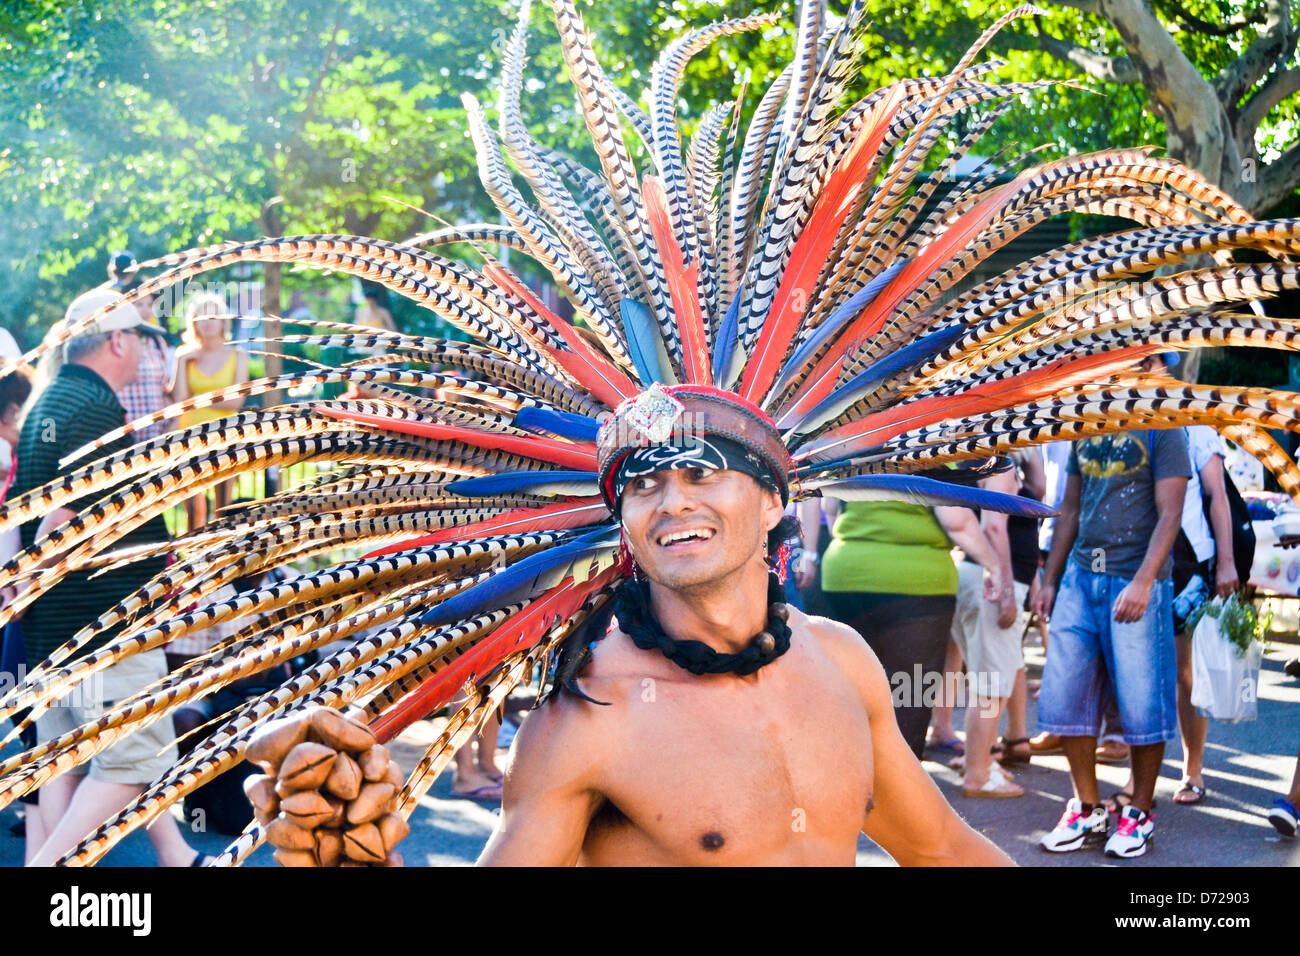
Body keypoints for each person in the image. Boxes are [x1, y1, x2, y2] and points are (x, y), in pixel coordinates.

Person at [478, 390, 1013, 865]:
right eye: (643, 485)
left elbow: (939, 847)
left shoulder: (840, 659)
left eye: (701, 473)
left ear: (772, 502)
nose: (674, 502)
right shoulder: (585, 719)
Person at [12, 288, 205, 867]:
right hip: (102, 624)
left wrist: (19, 583)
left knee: (61, 760)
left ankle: (175, 857)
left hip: (56, 629)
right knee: (136, 757)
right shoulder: (93, 410)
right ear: (118, 340)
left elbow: (22, 513)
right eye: (145, 343)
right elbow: (58, 520)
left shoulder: (48, 401)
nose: (149, 357)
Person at [1032, 428, 1190, 859]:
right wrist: (1050, 579)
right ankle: (1087, 808)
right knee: (1066, 697)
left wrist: (1144, 581)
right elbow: (1070, 509)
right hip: (1080, 579)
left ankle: (1139, 810)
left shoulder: (1166, 428)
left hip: (1136, 580)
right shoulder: (1087, 423)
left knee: (1141, 702)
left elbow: (1170, 513)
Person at [815, 497, 1005, 760]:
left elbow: (831, 509)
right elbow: (956, 521)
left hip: (846, 574)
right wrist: (994, 566)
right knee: (911, 696)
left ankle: (849, 786)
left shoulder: (851, 454)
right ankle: (899, 794)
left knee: (852, 693)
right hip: (916, 584)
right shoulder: (928, 456)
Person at [168, 292, 250, 529]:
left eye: (213, 316)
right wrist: (182, 363)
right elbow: (180, 399)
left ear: (223, 321)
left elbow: (235, 402)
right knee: (192, 507)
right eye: (201, 317)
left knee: (222, 506)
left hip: (226, 435)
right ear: (193, 322)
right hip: (190, 436)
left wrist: (197, 399)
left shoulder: (238, 355)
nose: (207, 322)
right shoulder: (185, 355)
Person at [108, 250, 173, 441]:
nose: (144, 310)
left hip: (156, 434)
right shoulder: (115, 338)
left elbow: (164, 387)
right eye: (139, 305)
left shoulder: (156, 340)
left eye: (148, 304)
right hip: (124, 434)